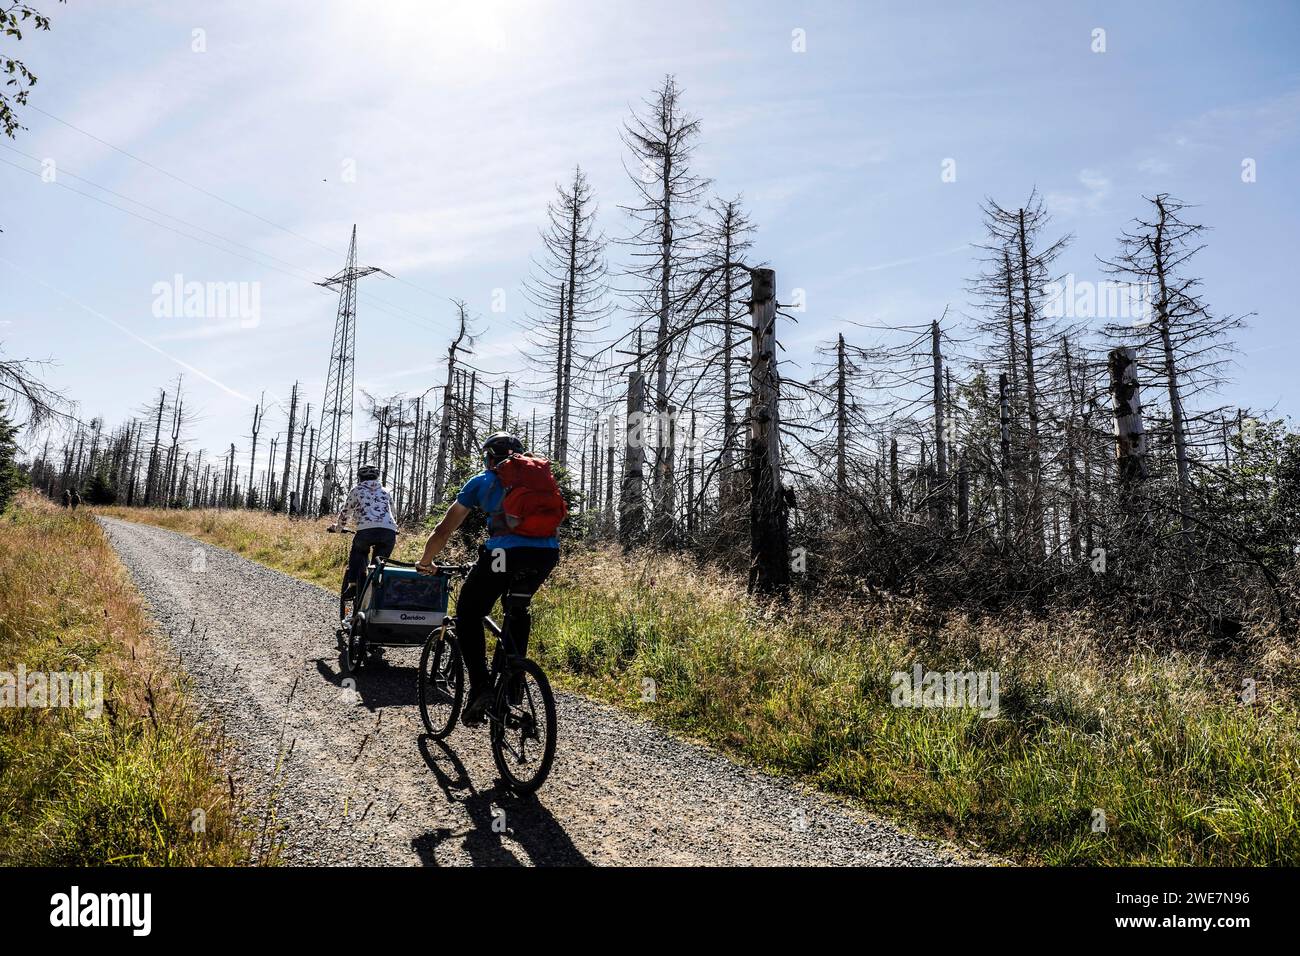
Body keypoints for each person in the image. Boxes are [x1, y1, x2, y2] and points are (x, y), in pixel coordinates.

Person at [416, 432, 560, 724]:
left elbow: (444, 529)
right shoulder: (537, 480)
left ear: (489, 457)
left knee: (469, 613)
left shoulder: (482, 482)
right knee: (517, 609)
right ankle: (514, 681)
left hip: (502, 556)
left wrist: (426, 561)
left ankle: (481, 687)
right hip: (546, 555)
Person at [327, 464, 398, 618]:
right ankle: (377, 592)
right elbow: (393, 513)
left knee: (358, 551)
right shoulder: (386, 491)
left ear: (360, 478)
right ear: (376, 477)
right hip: (389, 532)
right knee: (379, 565)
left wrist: (338, 528)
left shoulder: (357, 490)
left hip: (366, 531)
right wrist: (393, 529)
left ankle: (352, 584)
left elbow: (346, 513)